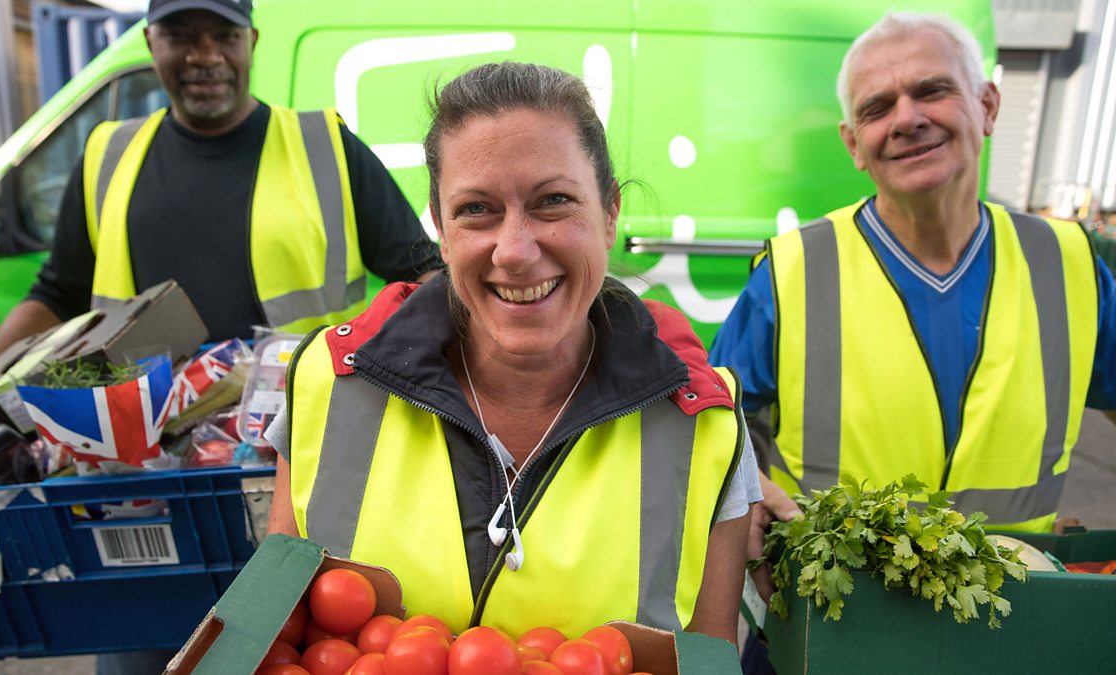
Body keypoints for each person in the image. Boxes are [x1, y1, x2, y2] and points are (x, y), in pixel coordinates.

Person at [268, 62, 761, 643]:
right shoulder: (331, 386)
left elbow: (706, 657)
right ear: (442, 233)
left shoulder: (702, 424)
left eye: (553, 201)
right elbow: (279, 633)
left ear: (609, 214)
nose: (516, 251)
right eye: (476, 209)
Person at [710, 11, 1116, 600]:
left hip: (1013, 609)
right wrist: (747, 494)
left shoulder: (1069, 263)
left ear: (989, 106)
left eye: (932, 90)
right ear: (854, 144)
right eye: (876, 108)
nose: (907, 118)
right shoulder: (794, 270)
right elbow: (714, 425)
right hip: (833, 612)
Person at [0, 0, 441, 398]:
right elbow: (58, 292)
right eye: (181, 36)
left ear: (252, 41)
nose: (205, 57)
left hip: (300, 432)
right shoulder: (105, 155)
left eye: (224, 36)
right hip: (146, 448)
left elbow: (423, 272)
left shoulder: (325, 146)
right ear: (149, 42)